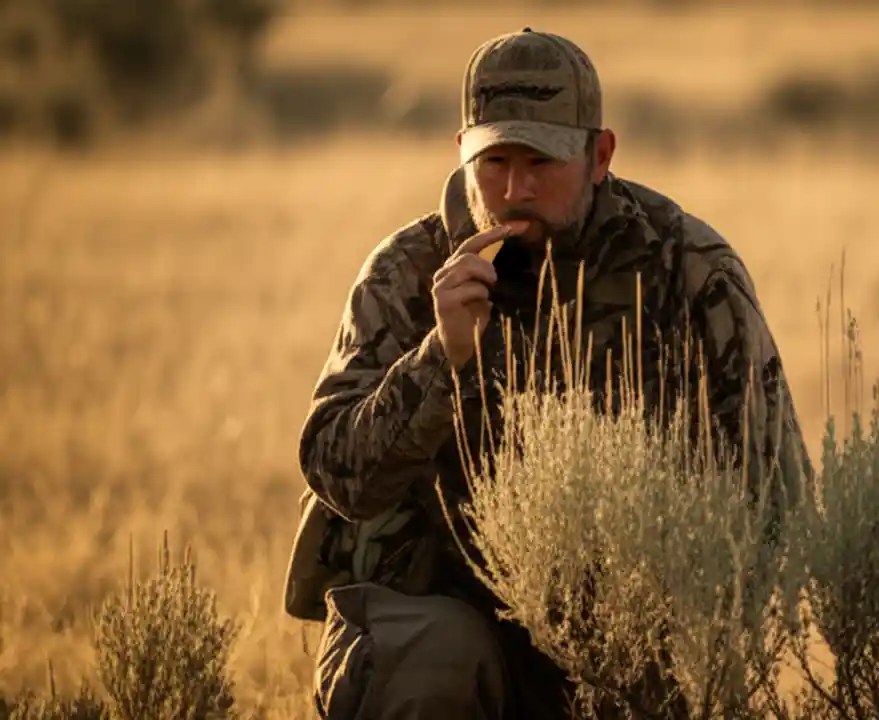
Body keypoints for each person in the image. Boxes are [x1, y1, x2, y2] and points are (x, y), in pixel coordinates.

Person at [286, 27, 810, 719]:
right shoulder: (408, 271)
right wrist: (442, 358)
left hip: (634, 622)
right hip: (447, 613)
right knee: (423, 659)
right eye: (494, 161)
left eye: (541, 161)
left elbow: (777, 495)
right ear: (461, 151)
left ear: (600, 155)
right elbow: (337, 478)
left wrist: (695, 618)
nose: (514, 189)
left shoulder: (687, 267)